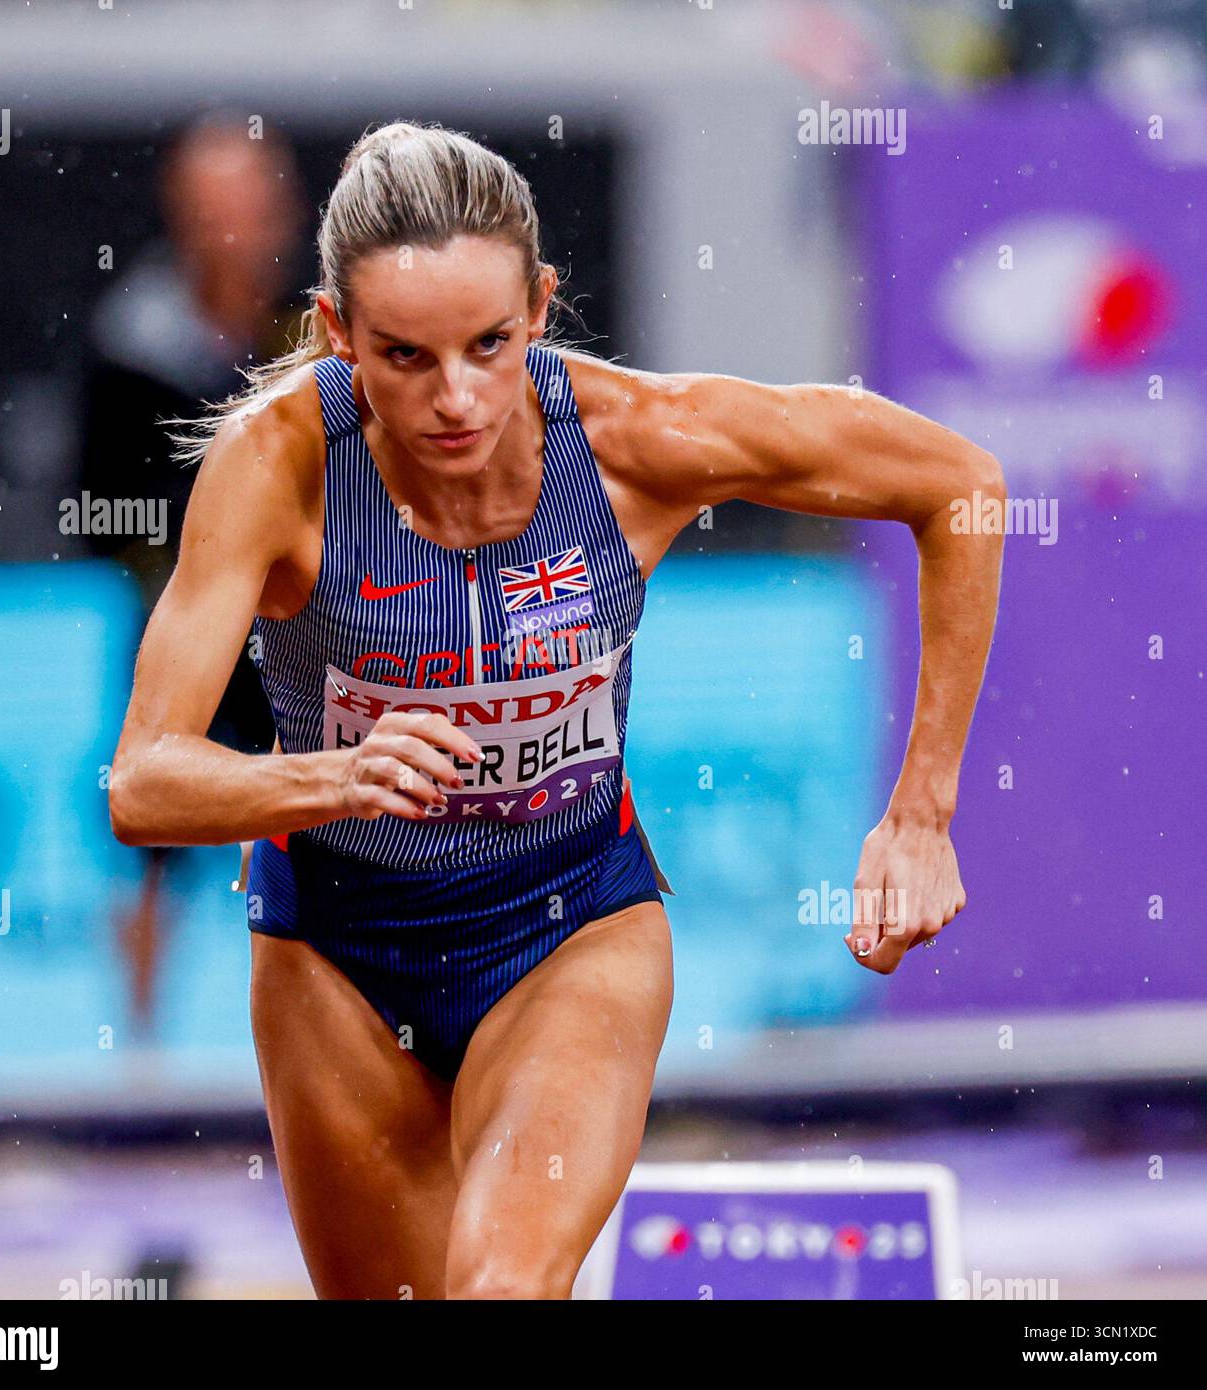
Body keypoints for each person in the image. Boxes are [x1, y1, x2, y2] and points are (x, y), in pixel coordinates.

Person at [107, 120, 1004, 1299]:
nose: (457, 401)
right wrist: (329, 776)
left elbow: (963, 488)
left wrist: (921, 811)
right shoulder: (273, 465)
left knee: (503, 1283)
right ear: (335, 334)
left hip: (567, 922)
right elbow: (142, 784)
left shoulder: (639, 437)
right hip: (333, 950)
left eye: (488, 344)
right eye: (404, 357)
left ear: (541, 304)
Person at [81, 115, 302, 1038]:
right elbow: (92, 510)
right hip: (182, 620)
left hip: (298, 627)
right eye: (215, 210)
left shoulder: (317, 331)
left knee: (315, 821)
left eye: (250, 207)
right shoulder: (134, 343)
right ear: (182, 217)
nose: (236, 230)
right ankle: (136, 1068)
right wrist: (197, 569)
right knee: (149, 843)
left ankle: (333, 1061)